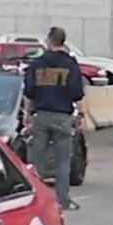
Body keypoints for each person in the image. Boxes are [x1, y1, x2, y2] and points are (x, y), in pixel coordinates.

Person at [24, 26, 84, 211]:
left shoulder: (37, 64)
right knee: (62, 161)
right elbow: (77, 94)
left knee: (36, 161)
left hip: (41, 116)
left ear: (49, 41)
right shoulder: (70, 65)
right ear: (63, 41)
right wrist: (80, 114)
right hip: (62, 117)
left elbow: (29, 92)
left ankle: (35, 199)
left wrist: (27, 115)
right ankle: (62, 200)